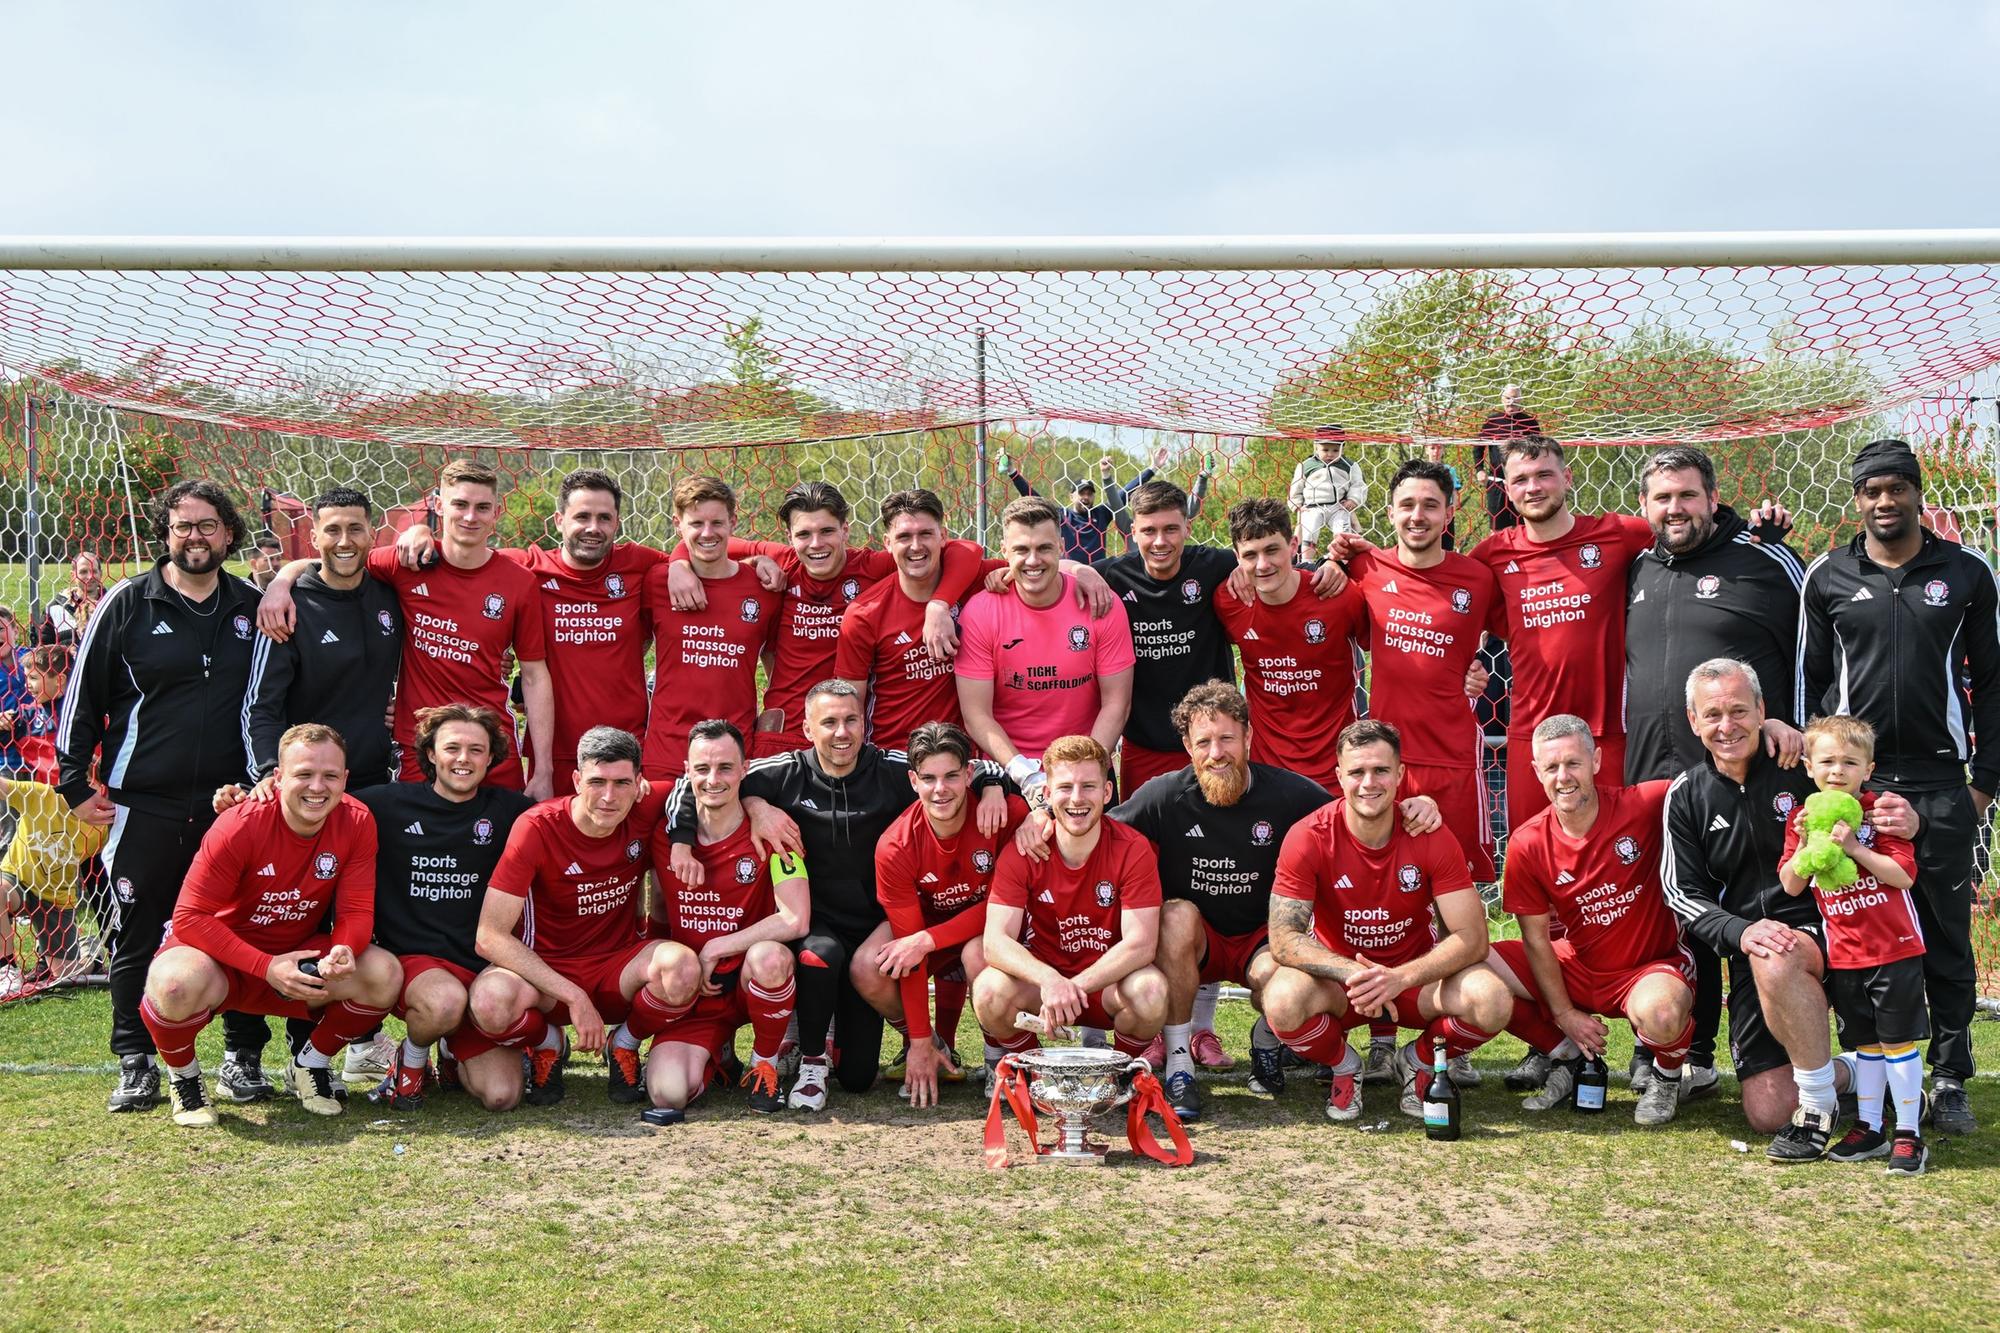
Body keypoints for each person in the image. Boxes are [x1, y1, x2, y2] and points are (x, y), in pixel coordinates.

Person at [662, 679, 1011, 1110]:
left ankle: (911, 1044)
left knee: (859, 1078)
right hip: (817, 924)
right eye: (829, 722)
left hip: (876, 926)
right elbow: (697, 782)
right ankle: (810, 1057)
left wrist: (994, 788)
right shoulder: (782, 772)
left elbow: (979, 769)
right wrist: (729, 818)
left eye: (851, 720)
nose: (841, 732)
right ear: (808, 728)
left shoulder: (890, 769)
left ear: (864, 724)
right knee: (818, 955)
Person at [1797, 437, 1997, 1138]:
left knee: (1943, 934)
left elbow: (1993, 682)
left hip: (1943, 783)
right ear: (1857, 499)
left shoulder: (1966, 573)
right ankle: (1869, 1077)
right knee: (1863, 934)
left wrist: (1983, 785)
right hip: (1860, 788)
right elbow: (1808, 686)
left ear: (1916, 491)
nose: (1885, 502)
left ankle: (1948, 1078)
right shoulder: (1827, 576)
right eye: (1872, 491)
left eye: (1897, 489)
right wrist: (1826, 787)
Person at [57, 478, 279, 1113]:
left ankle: (242, 1057)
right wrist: (73, 783)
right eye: (183, 525)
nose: (195, 537)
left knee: (241, 929)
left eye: (208, 525)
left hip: (233, 802)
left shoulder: (252, 606)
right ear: (166, 533)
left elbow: (268, 700)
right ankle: (135, 1059)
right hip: (141, 804)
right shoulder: (127, 603)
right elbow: (81, 699)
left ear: (228, 533)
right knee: (136, 931)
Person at [1661, 658, 1919, 1157]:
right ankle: (1861, 1073)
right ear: (1693, 721)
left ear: (1762, 710)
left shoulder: (1803, 768)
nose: (1726, 725)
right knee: (1767, 1112)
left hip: (1833, 930)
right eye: (1711, 714)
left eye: (1739, 710)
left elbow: (1867, 795)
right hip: (1750, 945)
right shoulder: (1686, 794)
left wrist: (1909, 818)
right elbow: (1680, 891)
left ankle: (1819, 1106)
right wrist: (1739, 931)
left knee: (1776, 953)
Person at [1623, 444, 1807, 1094]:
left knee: (1764, 908)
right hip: (1655, 779)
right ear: (1645, 505)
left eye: (1687, 495)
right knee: (1676, 917)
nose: (1675, 507)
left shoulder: (1767, 561)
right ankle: (1680, 1052)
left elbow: (1810, 648)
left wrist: (1796, 727)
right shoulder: (1637, 567)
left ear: (1712, 496)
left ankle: (1800, 1055)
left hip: (1753, 776)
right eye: (1663, 497)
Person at [136, 724, 400, 1127]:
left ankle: (309, 1065)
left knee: (383, 972)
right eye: (304, 774)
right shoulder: (240, 824)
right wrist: (265, 966)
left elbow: (356, 912)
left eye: (330, 776)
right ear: (277, 777)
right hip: (220, 959)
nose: (317, 787)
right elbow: (190, 917)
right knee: (173, 983)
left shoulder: (358, 820)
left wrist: (344, 947)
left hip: (295, 957)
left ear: (345, 779)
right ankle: (185, 1078)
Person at [1261, 720, 1511, 1123]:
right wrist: (1356, 975)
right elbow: (1284, 938)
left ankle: (1419, 1060)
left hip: (1413, 982)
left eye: (1380, 770)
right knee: (1282, 999)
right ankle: (1344, 1066)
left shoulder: (1432, 835)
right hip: (1343, 986)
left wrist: (1398, 978)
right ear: (1339, 776)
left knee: (1493, 998)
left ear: (1400, 774)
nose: (1368, 782)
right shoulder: (1308, 835)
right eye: (1357, 772)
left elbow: (1473, 938)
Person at [1109, 683, 1337, 1121]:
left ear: (1248, 737)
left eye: (1227, 738)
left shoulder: (1289, 794)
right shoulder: (1163, 795)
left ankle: (1267, 1038)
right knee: (1174, 915)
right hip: (1196, 944)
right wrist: (1042, 820)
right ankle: (1179, 1067)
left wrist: (1409, 809)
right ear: (1187, 748)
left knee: (1282, 980)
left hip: (1262, 941)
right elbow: (1103, 834)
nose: (1217, 753)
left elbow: (1348, 820)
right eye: (1204, 742)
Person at [259, 459, 555, 796]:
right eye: (460, 504)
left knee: (499, 843)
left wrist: (543, 769)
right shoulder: (407, 563)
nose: (470, 517)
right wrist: (281, 582)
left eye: (482, 507)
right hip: (419, 743)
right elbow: (339, 557)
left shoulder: (519, 582)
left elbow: (533, 674)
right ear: (440, 506)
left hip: (492, 743)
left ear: (496, 512)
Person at [399, 468, 669, 796]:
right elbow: (465, 556)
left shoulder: (638, 564)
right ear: (558, 520)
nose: (593, 528)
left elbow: (705, 551)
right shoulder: (527, 568)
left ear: (617, 522)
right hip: (553, 751)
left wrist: (681, 563)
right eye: (582, 516)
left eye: (604, 518)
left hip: (627, 744)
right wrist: (421, 533)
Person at [1483, 716, 1696, 1127]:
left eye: (1573, 763)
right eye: (1551, 767)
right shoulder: (1527, 843)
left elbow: (1711, 782)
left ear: (1596, 760)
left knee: (1663, 1013)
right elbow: (1535, 941)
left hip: (1646, 970)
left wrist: (1773, 729)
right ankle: (1564, 1052)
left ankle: (1666, 1076)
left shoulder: (1645, 804)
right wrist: (1564, 1014)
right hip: (1579, 967)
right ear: (1536, 772)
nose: (1563, 777)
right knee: (1473, 962)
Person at [664, 480, 975, 759]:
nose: (816, 544)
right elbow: (708, 539)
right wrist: (678, 563)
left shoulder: (874, 566)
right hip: (782, 734)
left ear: (845, 530)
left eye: (826, 531)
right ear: (789, 537)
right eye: (804, 534)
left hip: (843, 735)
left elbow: (964, 551)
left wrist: (938, 604)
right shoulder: (784, 563)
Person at [467, 726, 682, 1108]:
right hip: (547, 975)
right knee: (489, 1002)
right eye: (597, 782)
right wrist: (574, 996)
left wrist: (761, 810)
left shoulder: (648, 805)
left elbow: (716, 784)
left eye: (621, 783)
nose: (609, 796)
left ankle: (625, 1043)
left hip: (618, 967)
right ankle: (548, 1044)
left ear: (639, 783)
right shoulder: (537, 827)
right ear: (577, 780)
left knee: (681, 968)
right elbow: (489, 936)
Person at [350, 705, 535, 1111]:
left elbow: (572, 819)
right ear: (431, 754)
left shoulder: (510, 811)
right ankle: (411, 1063)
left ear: (491, 758)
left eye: (475, 750)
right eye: (452, 748)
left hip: (480, 973)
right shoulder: (384, 804)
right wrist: (254, 794)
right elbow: (314, 803)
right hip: (417, 967)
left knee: (502, 1096)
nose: (463, 759)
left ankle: (451, 1056)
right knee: (443, 1002)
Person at [1467, 436, 1654, 832]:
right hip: (1530, 735)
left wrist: (1750, 529)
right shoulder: (1491, 554)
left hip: (1605, 733)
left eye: (1544, 475)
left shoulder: (1618, 535)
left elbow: (1683, 525)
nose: (1533, 487)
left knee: (1614, 851)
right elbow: (1443, 600)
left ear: (1567, 478)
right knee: (1532, 852)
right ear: (1506, 488)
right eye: (1520, 480)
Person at [836, 489, 1112, 746]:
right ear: (887, 543)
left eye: (926, 534)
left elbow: (1034, 564)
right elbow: (850, 706)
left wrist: (1080, 570)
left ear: (944, 536)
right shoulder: (864, 614)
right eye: (904, 537)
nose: (916, 546)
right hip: (892, 755)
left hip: (966, 757)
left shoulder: (975, 580)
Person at [1777, 715, 1928, 1174]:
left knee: (1897, 1042)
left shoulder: (1878, 813)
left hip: (1894, 949)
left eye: (1849, 762)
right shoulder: (1802, 820)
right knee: (1865, 1044)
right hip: (1845, 952)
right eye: (1827, 761)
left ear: (1869, 767)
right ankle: (1870, 1127)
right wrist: (1807, 846)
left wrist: (1855, 849)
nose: (1837, 771)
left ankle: (1909, 1134)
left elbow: (1902, 876)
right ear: (1808, 767)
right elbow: (1790, 885)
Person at [973, 735, 1169, 1080]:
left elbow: (1141, 944)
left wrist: (1072, 987)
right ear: (1046, 794)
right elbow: (995, 942)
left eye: (1089, 786)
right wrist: (1050, 980)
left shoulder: (1132, 848)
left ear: (1107, 793)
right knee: (988, 990)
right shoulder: (1025, 848)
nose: (1077, 799)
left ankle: (1114, 1078)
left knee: (1151, 990)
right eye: (1065, 787)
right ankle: (1034, 1075)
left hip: (1106, 988)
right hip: (1042, 989)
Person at [1346, 459, 1505, 882]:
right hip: (1386, 757)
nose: (1418, 516)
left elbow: (1517, 633)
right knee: (1388, 881)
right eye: (1408, 505)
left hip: (1453, 755)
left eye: (1431, 505)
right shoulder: (1367, 569)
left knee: (1458, 887)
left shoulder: (1478, 579)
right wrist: (1332, 559)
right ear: (1391, 511)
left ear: (1449, 512)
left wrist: (1480, 669)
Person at [647, 719, 809, 1116]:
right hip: (697, 993)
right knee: (667, 1094)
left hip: (748, 980)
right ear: (687, 772)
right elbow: (660, 907)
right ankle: (716, 1057)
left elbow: (796, 919)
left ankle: (764, 1064)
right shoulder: (665, 838)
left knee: (770, 957)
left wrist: (717, 946)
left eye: (724, 768)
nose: (713, 779)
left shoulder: (775, 833)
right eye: (702, 769)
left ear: (744, 769)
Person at [870, 722, 1026, 1107]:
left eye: (951, 776)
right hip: (930, 932)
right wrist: (920, 1041)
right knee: (866, 966)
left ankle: (998, 1060)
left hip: (992, 932)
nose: (940, 789)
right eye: (929, 778)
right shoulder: (895, 845)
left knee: (978, 951)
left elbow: (1004, 910)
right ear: (913, 780)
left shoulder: (1005, 814)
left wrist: (927, 940)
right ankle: (932, 1047)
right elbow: (909, 948)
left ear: (970, 773)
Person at [956, 496, 1136, 783]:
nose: (1033, 560)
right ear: (1004, 551)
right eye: (1021, 550)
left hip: (1087, 765)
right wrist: (1024, 774)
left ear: (1062, 547)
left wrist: (1087, 770)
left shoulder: (1101, 604)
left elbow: (1117, 703)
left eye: (1044, 548)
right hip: (1006, 771)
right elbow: (976, 715)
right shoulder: (981, 611)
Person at [240, 488, 404, 794]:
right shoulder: (287, 609)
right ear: (314, 539)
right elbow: (260, 707)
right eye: (332, 530)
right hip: (312, 785)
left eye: (355, 529)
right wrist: (266, 771)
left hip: (380, 780)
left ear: (372, 534)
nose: (344, 541)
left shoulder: (390, 597)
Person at [1092, 479, 1242, 793]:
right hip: (1145, 745)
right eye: (1149, 531)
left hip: (1211, 744)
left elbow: (1275, 563)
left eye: (1170, 529)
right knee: (1145, 839)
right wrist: (1080, 571)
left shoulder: (1214, 565)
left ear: (1187, 528)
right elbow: (1053, 569)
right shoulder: (1113, 575)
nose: (1160, 541)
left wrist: (1329, 566)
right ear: (1132, 532)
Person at [1213, 498, 1367, 793]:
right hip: (1265, 774)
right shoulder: (1228, 601)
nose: (1263, 564)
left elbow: (1391, 643)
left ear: (1294, 545)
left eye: (1272, 550)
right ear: (1236, 557)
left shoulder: (1337, 595)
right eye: (1250, 555)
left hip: (1337, 773)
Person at [640, 476, 781, 780]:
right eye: (696, 524)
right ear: (678, 525)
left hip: (734, 752)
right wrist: (677, 565)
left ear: (733, 521)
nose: (707, 533)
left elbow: (775, 668)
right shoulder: (656, 581)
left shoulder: (764, 588)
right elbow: (629, 650)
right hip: (667, 750)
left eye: (717, 522)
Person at [1001, 453, 1124, 563]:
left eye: (1090, 494)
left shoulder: (1101, 514)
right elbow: (1035, 498)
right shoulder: (1062, 515)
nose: (1086, 497)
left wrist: (1106, 473)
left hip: (1097, 575)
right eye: (1081, 493)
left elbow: (1125, 492)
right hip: (1069, 574)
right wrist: (1012, 472)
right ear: (1071, 497)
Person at [1287, 424, 1366, 563]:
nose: (1330, 454)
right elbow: (1296, 487)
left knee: (1342, 532)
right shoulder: (1306, 465)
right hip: (1313, 506)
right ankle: (1306, 560)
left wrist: (1353, 499)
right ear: (1316, 446)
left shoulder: (1349, 466)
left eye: (1335, 450)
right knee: (1310, 531)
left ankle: (1342, 559)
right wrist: (1297, 505)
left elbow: (1358, 484)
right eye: (1325, 449)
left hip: (1338, 506)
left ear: (1343, 447)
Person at [1474, 384, 1541, 533]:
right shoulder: (1492, 421)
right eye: (1508, 398)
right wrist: (1479, 469)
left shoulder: (1530, 423)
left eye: (1515, 398)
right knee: (1497, 529)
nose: (1511, 402)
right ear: (1502, 400)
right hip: (1497, 482)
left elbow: (1539, 451)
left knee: (1524, 527)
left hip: (1523, 483)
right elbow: (1478, 446)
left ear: (1521, 400)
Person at [37, 551, 105, 647]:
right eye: (83, 572)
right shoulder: (55, 609)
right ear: (73, 575)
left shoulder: (113, 604)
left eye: (94, 571)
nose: (90, 577)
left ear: (100, 574)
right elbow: (43, 651)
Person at [1421, 442, 1462, 550]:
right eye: (1432, 448)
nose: (1436, 452)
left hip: (1445, 512)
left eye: (1439, 448)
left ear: (1443, 450)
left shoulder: (1449, 470)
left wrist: (1455, 505)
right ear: (1426, 450)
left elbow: (1453, 491)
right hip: (1428, 511)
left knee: (1446, 545)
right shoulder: (1421, 469)